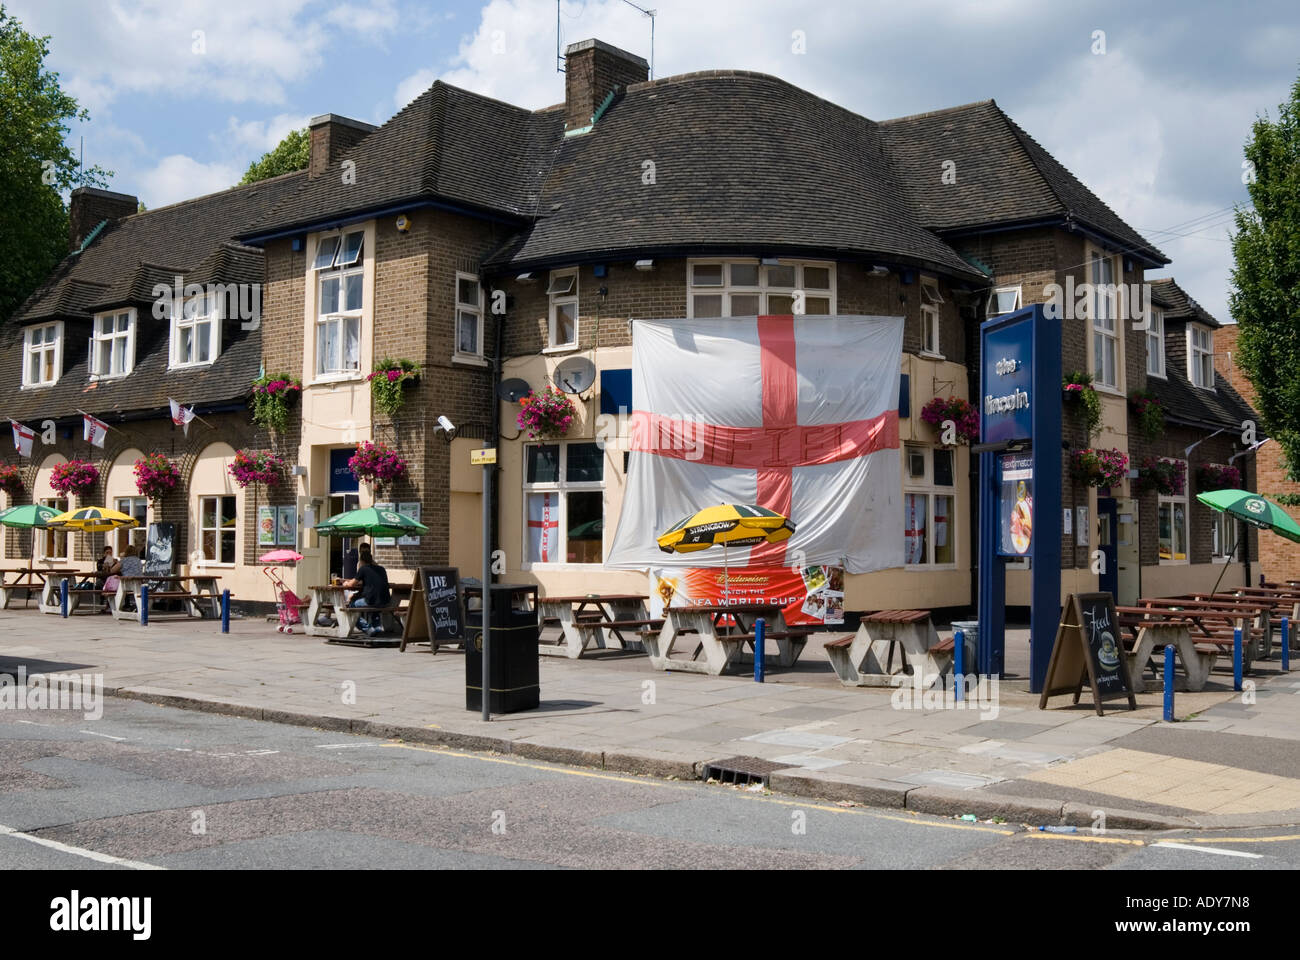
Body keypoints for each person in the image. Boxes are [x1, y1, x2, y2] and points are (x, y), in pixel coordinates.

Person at [344, 545, 390, 637]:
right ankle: (377, 627)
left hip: (371, 600)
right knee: (375, 604)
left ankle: (367, 628)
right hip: (386, 600)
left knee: (351, 606)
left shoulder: (363, 568)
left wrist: (345, 583)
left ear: (362, 561)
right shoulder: (381, 569)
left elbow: (351, 584)